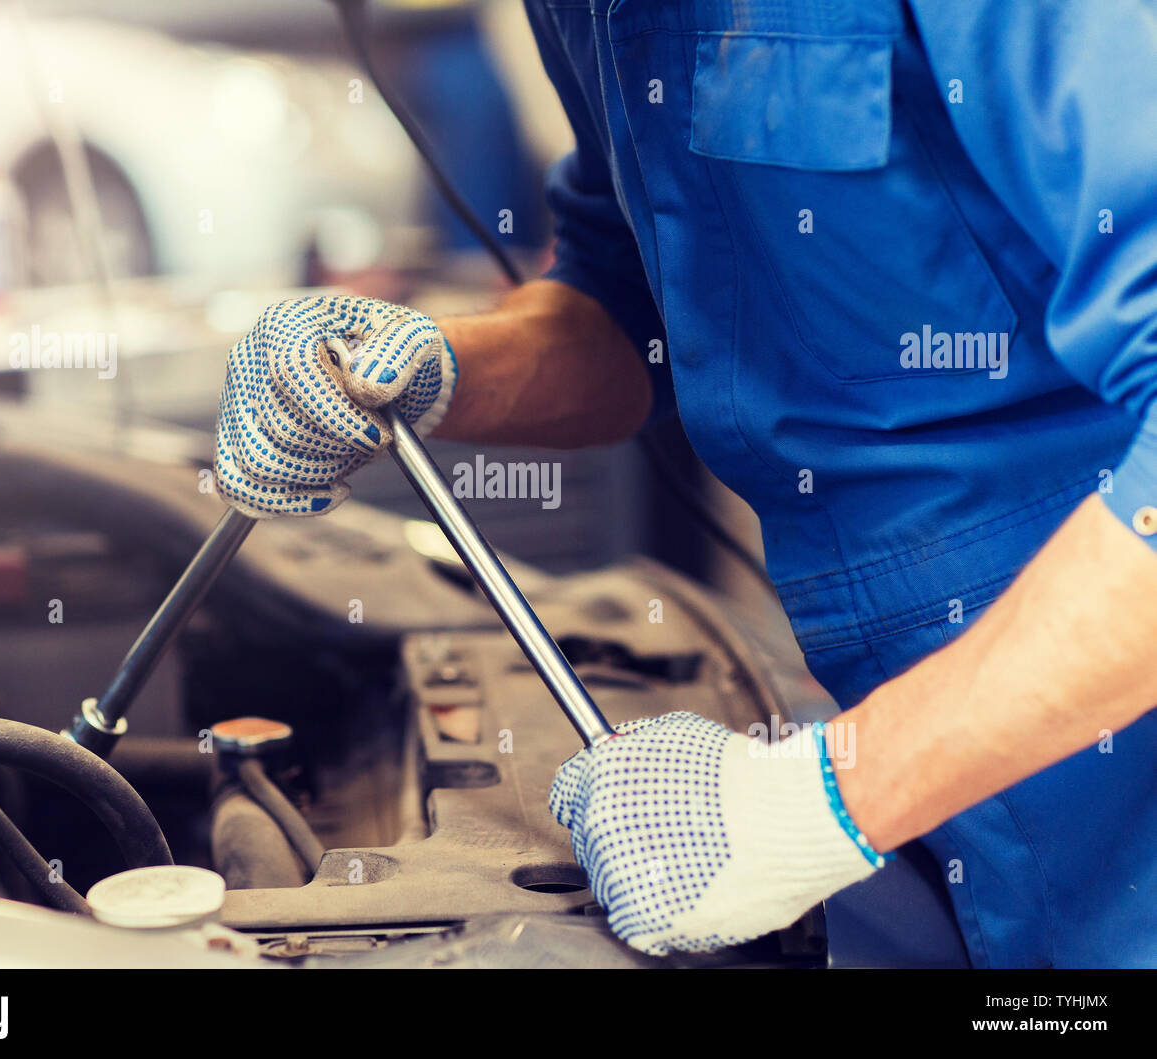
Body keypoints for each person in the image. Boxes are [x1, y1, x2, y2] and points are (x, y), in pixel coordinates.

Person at [213, 2, 1157, 967]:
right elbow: (632, 305)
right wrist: (431, 367)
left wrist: (814, 804)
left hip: (1112, 736)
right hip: (900, 741)